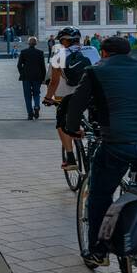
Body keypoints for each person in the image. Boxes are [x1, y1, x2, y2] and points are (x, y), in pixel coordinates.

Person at [65, 35, 137, 268]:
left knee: (100, 194)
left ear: (103, 53)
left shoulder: (95, 71)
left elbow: (75, 106)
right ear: (129, 52)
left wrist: (72, 130)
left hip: (119, 143)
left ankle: (98, 251)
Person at [44, 26, 91, 170]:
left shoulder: (59, 54)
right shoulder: (92, 51)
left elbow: (54, 81)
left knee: (62, 124)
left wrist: (47, 98)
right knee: (93, 123)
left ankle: (70, 158)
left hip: (66, 95)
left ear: (64, 41)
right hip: (90, 94)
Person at [17, 36, 46, 120]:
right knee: (37, 94)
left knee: (27, 96)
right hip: (37, 77)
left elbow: (19, 65)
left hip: (26, 77)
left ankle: (30, 114)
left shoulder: (24, 52)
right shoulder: (40, 52)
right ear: (36, 43)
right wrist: (43, 78)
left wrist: (22, 73)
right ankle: (36, 106)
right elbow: (42, 67)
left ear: (28, 43)